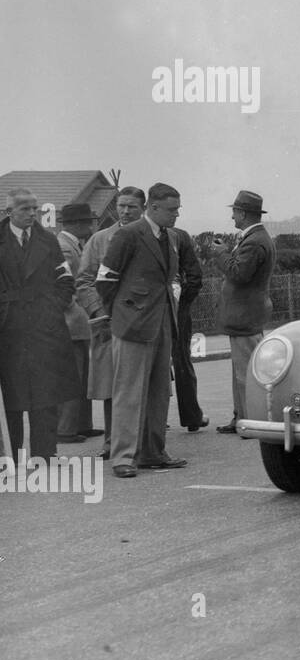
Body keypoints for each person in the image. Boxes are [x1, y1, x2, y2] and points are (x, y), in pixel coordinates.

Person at [96, 182, 188, 477]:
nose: (177, 215)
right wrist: (120, 313)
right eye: (172, 210)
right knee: (129, 392)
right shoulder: (128, 234)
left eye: (178, 209)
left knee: (160, 391)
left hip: (162, 322)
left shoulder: (171, 236)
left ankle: (152, 452)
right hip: (133, 325)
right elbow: (105, 279)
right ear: (154, 207)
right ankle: (123, 457)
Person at [0, 188, 81, 462]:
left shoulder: (48, 240)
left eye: (35, 208)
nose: (32, 214)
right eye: (25, 209)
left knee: (45, 392)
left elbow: (65, 279)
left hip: (44, 328)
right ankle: (9, 456)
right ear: (9, 212)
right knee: (10, 395)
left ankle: (45, 453)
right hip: (7, 329)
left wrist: (53, 307)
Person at [77, 186, 146, 460]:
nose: (126, 211)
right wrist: (97, 311)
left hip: (143, 321)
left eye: (132, 206)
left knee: (143, 383)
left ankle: (145, 442)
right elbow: (83, 279)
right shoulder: (100, 240)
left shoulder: (152, 236)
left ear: (143, 207)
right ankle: (111, 441)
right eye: (122, 206)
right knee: (111, 385)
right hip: (109, 322)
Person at [213, 191, 275, 434]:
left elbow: (239, 274)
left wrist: (220, 253)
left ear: (243, 213)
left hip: (245, 315)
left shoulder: (254, 241)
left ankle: (248, 420)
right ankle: (241, 417)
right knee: (242, 370)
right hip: (246, 315)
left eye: (235, 212)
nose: (232, 216)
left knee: (245, 372)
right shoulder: (256, 238)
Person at [56, 202, 99, 443]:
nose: (91, 225)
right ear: (78, 224)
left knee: (83, 377)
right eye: (88, 221)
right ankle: (65, 429)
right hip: (71, 322)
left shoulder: (74, 245)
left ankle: (82, 424)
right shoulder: (64, 247)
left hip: (79, 323)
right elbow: (66, 284)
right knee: (73, 376)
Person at [171, 225, 209, 432]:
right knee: (181, 361)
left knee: (181, 361)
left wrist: (182, 303)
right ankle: (191, 416)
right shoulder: (179, 235)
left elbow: (194, 276)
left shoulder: (179, 236)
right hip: (164, 308)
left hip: (174, 308)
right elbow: (194, 276)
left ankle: (191, 415)